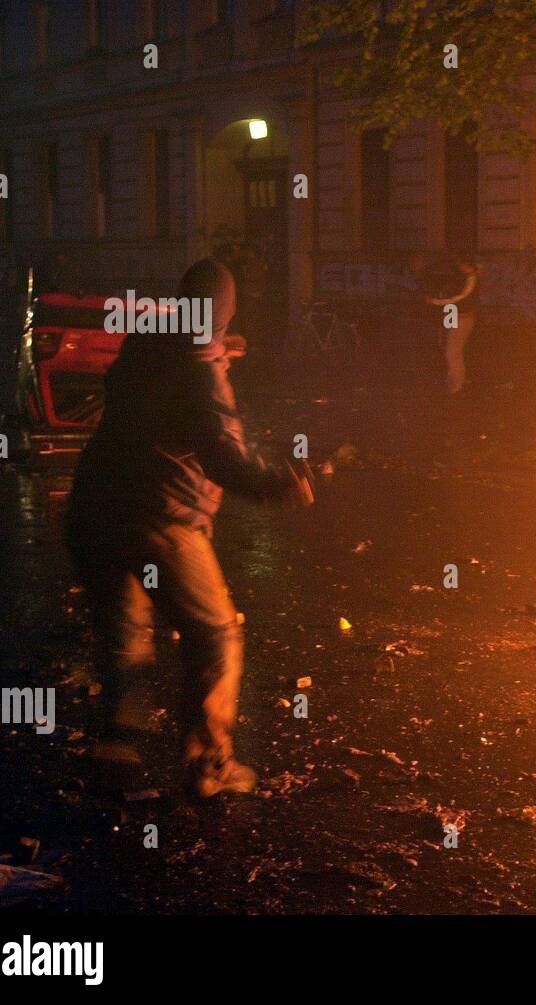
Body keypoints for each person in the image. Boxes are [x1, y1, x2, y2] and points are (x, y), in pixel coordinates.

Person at [65, 258, 314, 798]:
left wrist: (219, 352)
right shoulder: (200, 366)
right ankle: (209, 766)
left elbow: (161, 372)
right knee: (214, 634)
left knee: (125, 638)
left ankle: (117, 757)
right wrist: (277, 485)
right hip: (159, 517)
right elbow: (221, 455)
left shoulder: (145, 343)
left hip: (94, 508)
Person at [416, 252, 478, 395]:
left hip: (462, 318)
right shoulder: (461, 276)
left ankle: (456, 385)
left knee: (452, 351)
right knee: (446, 346)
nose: (459, 267)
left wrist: (434, 301)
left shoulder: (471, 279)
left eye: (461, 264)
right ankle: (454, 380)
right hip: (451, 314)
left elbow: (459, 297)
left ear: (468, 265)